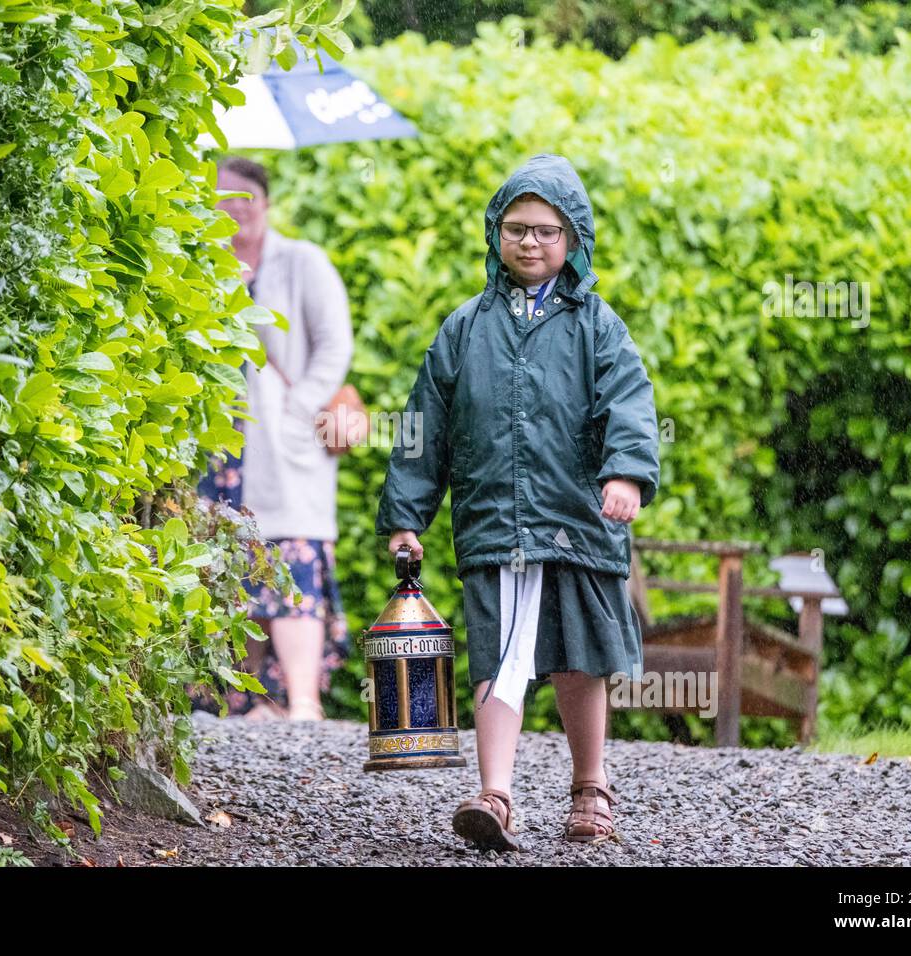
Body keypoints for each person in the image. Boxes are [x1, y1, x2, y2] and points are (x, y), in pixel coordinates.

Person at [375, 153, 660, 850]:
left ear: (574, 240)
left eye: (546, 231)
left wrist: (624, 475)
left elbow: (630, 403)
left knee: (577, 659)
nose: (529, 242)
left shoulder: (597, 325)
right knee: (494, 658)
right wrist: (407, 514)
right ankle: (494, 794)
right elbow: (426, 426)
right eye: (515, 229)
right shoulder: (465, 328)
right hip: (493, 522)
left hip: (576, 525)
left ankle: (590, 787)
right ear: (495, 235)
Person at [194, 156, 355, 723]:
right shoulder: (198, 262)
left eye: (245, 196)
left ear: (265, 201)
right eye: (221, 196)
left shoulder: (301, 261)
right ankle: (249, 703)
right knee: (227, 568)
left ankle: (303, 702)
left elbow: (334, 345)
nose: (233, 206)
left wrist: (298, 406)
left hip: (283, 441)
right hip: (218, 441)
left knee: (291, 559)